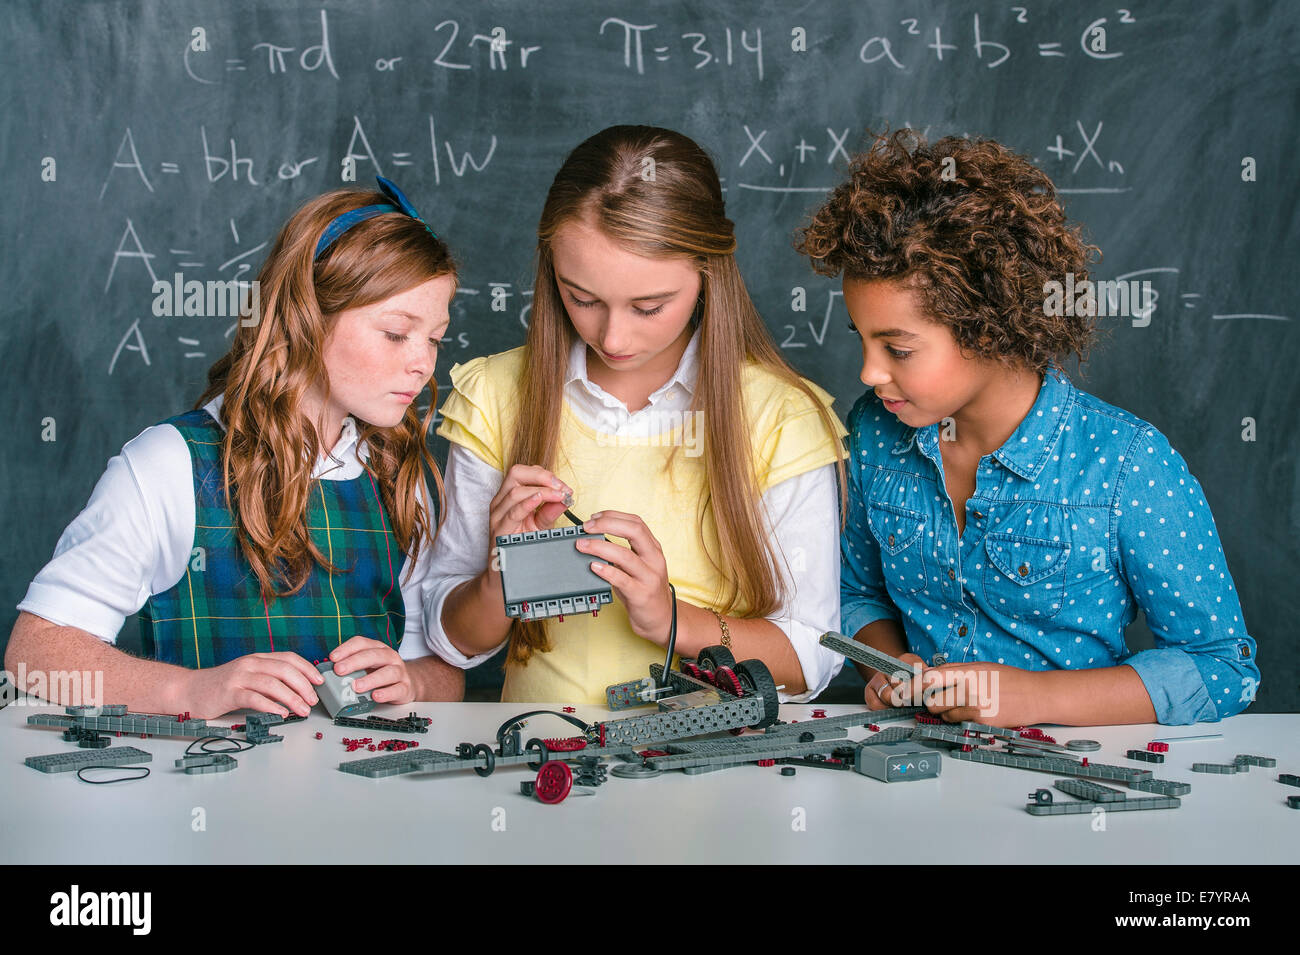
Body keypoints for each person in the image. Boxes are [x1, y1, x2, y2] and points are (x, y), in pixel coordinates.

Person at [796, 129, 1259, 726]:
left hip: (1069, 784)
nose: (868, 372)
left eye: (899, 349)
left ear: (991, 326)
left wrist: (1029, 699)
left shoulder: (1126, 464)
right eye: (863, 339)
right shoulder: (875, 432)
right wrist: (887, 666)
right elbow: (859, 592)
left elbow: (1223, 667)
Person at [6, 178, 465, 718]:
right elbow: (33, 654)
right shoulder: (169, 464)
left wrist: (409, 679)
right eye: (395, 333)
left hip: (362, 794)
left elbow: (443, 677)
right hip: (202, 792)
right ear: (306, 317)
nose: (422, 363)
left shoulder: (400, 478)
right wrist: (192, 691)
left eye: (433, 338)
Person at [424, 125, 848, 704]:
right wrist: (499, 581)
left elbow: (811, 657)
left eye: (649, 307)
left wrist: (671, 620)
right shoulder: (496, 395)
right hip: (540, 764)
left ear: (708, 273)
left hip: (717, 780)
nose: (613, 337)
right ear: (552, 269)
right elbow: (451, 641)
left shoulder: (780, 417)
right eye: (581, 298)